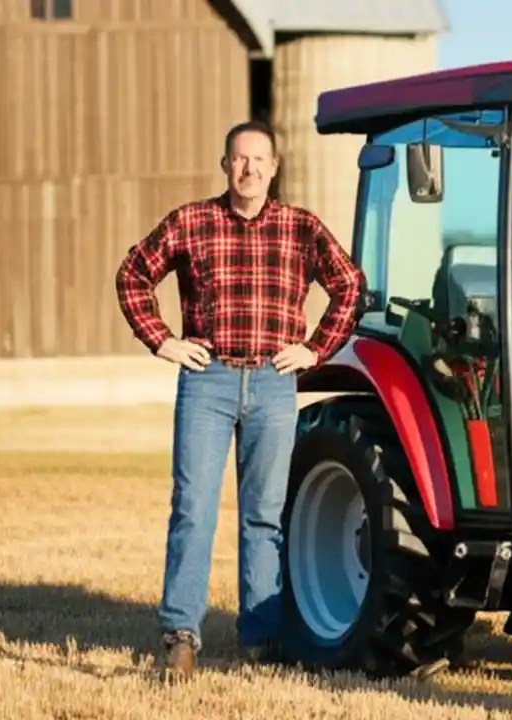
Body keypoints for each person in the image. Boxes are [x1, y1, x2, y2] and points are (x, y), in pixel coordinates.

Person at [114, 119, 366, 681]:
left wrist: (315, 349)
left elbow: (350, 285)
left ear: (274, 168)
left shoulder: (301, 228)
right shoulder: (192, 221)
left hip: (275, 382)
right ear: (224, 165)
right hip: (209, 380)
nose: (248, 169)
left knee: (265, 517)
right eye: (239, 159)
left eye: (259, 160)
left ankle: (261, 635)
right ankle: (181, 635)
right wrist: (162, 341)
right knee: (193, 509)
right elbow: (133, 274)